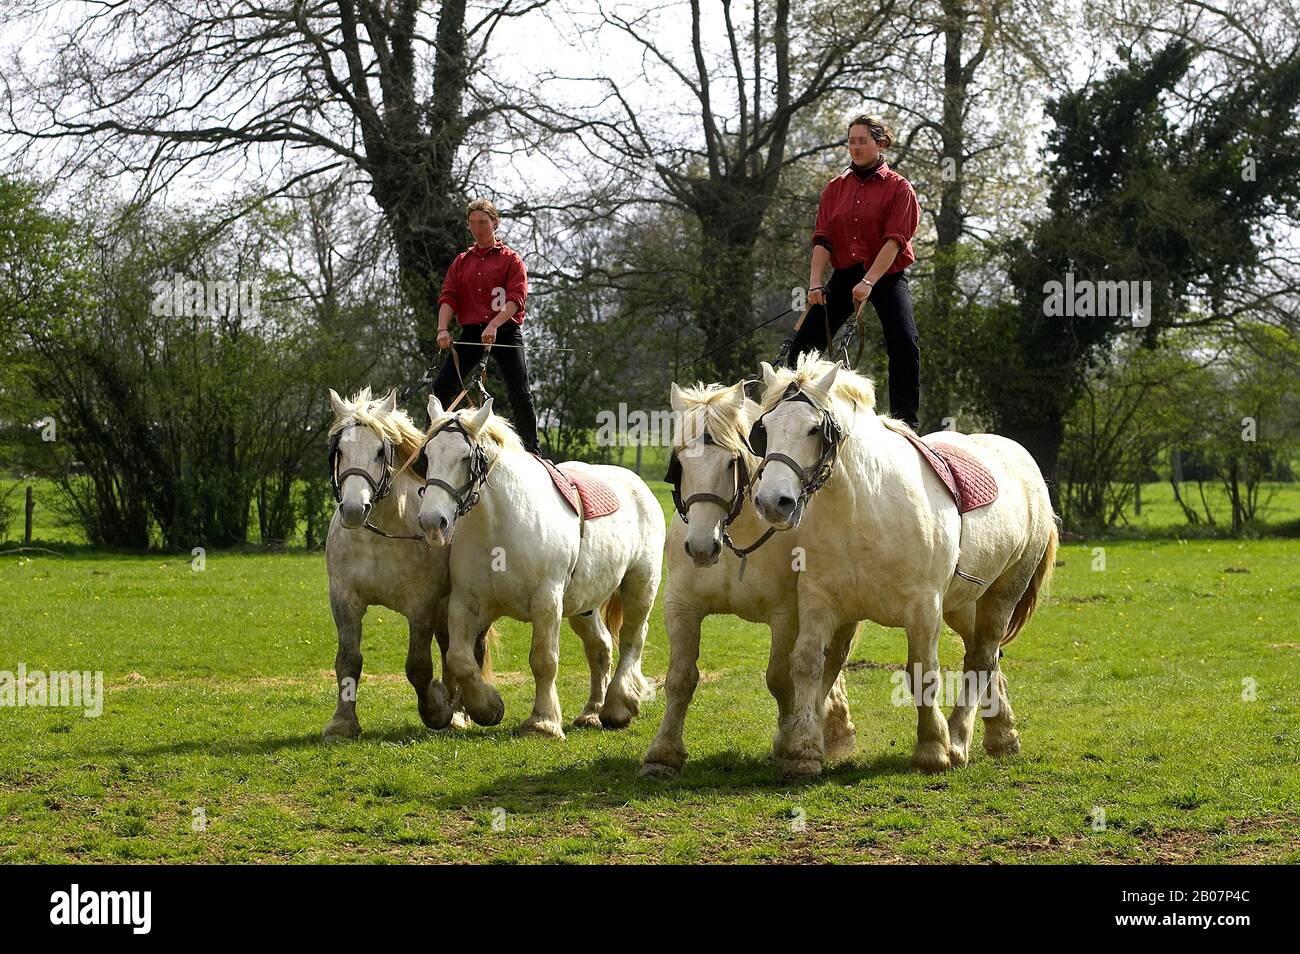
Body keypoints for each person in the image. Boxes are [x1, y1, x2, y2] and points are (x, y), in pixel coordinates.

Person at [790, 113, 922, 432]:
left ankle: (905, 424)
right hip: (845, 274)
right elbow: (822, 239)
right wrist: (815, 284)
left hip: (886, 275)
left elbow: (895, 240)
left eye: (862, 140)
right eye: (851, 141)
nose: (855, 146)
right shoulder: (835, 189)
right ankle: (792, 414)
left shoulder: (899, 188)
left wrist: (870, 281)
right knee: (802, 344)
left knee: (904, 341)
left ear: (881, 144)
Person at [432, 198, 542, 454]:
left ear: (495, 223)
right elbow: (449, 297)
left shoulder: (511, 260)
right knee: (440, 388)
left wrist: (494, 324)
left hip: (504, 331)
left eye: (483, 222)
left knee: (520, 393)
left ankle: (534, 452)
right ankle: (435, 446)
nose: (477, 228)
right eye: (472, 223)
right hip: (471, 332)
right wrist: (443, 328)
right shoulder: (461, 261)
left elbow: (516, 299)